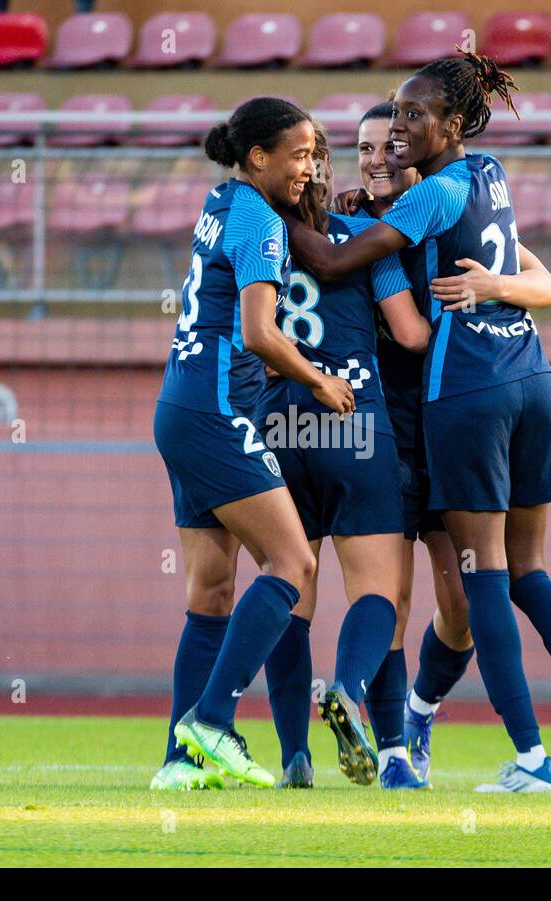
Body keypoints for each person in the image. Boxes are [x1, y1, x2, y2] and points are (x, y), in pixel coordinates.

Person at [281, 54, 551, 794]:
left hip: (460, 399)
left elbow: (363, 272)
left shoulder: (431, 199)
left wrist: (269, 211)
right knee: (486, 580)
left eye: (408, 121)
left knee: (475, 593)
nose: (395, 138)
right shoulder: (487, 176)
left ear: (452, 123)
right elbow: (539, 282)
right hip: (518, 381)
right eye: (379, 134)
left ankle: (517, 753)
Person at [150, 97, 355, 791]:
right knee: (293, 563)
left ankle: (180, 762)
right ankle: (211, 722)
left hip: (178, 405)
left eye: (313, 154)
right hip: (213, 409)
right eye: (298, 155)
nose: (309, 168)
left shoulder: (222, 200)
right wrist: (320, 378)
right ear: (259, 155)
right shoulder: (262, 219)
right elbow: (263, 333)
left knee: (210, 590)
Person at [256, 125, 432, 789]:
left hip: (280, 422)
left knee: (288, 594)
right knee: (379, 593)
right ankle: (352, 693)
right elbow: (412, 334)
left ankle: (294, 756)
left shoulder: (262, 238)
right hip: (353, 421)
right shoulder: (361, 239)